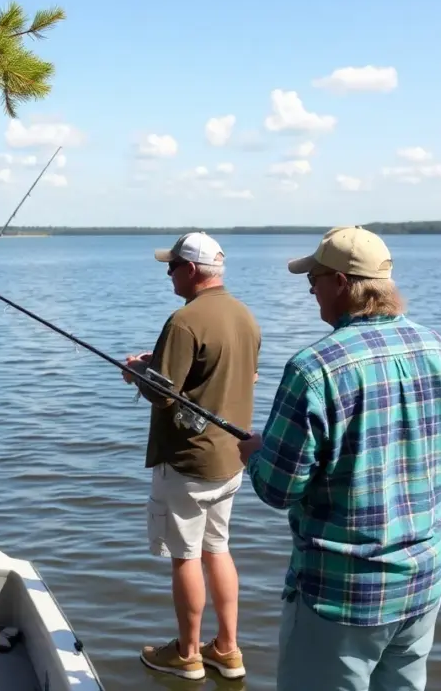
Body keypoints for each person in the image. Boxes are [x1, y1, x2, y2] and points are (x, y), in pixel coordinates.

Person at [237, 226, 441, 691]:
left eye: (316, 278)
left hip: (340, 598)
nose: (310, 288)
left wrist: (256, 454)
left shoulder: (313, 368)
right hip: (423, 585)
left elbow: (278, 489)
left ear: (343, 283)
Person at [122, 232, 261, 681]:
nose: (168, 273)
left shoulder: (184, 322)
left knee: (186, 557)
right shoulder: (245, 316)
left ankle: (186, 654)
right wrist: (156, 365)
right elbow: (241, 376)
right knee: (218, 549)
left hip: (187, 464)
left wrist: (138, 371)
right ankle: (227, 648)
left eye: (173, 265)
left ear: (193, 270)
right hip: (230, 461)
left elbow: (162, 396)